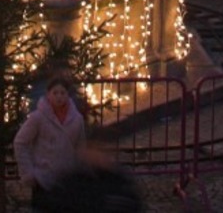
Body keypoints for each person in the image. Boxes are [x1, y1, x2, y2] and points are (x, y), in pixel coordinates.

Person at [14, 78, 87, 211]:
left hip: (67, 182)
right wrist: (28, 173)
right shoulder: (38, 118)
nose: (59, 97)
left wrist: (80, 174)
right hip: (43, 181)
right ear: (48, 95)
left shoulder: (77, 120)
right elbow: (20, 142)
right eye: (55, 93)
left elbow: (81, 148)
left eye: (62, 93)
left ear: (68, 95)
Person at [44, 132, 144, 213]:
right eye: (92, 148)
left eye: (100, 148)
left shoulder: (119, 183)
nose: (96, 155)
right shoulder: (70, 183)